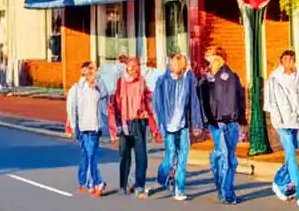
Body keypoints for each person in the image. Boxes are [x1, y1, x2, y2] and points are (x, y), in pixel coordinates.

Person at [152, 53, 204, 201]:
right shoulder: (162, 81)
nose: (172, 68)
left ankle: (179, 189)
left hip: (184, 125)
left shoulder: (188, 78)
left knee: (182, 158)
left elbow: (194, 100)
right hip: (168, 125)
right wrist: (160, 124)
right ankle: (162, 176)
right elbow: (157, 105)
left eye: (176, 67)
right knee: (170, 156)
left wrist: (197, 123)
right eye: (172, 66)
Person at [108, 56, 161, 198]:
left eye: (136, 66)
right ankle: (123, 185)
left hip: (139, 122)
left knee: (141, 156)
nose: (133, 69)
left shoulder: (142, 83)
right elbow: (113, 107)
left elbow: (149, 106)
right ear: (126, 67)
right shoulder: (120, 83)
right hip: (125, 123)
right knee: (124, 156)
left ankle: (139, 185)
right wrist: (114, 129)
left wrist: (155, 129)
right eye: (131, 66)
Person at [199, 46, 245, 205]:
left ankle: (224, 189)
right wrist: (207, 121)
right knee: (224, 155)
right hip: (217, 122)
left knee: (228, 157)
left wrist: (242, 119)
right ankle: (226, 193)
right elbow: (203, 101)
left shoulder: (232, 76)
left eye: (211, 57)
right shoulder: (206, 79)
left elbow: (240, 98)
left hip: (230, 121)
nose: (209, 61)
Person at [265, 49, 299, 207]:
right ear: (281, 61)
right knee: (291, 155)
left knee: (291, 155)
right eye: (286, 59)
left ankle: (279, 182)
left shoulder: (297, 77)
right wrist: (275, 121)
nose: (289, 62)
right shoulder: (274, 79)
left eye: (291, 60)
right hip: (282, 122)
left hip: (294, 121)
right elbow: (270, 102)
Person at [65, 60, 108, 196]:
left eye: (91, 70)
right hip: (82, 128)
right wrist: (72, 125)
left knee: (91, 156)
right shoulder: (77, 89)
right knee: (87, 155)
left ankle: (94, 183)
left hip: (94, 128)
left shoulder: (97, 89)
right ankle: (87, 181)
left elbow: (105, 97)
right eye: (86, 70)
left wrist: (97, 79)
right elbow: (71, 108)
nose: (88, 73)